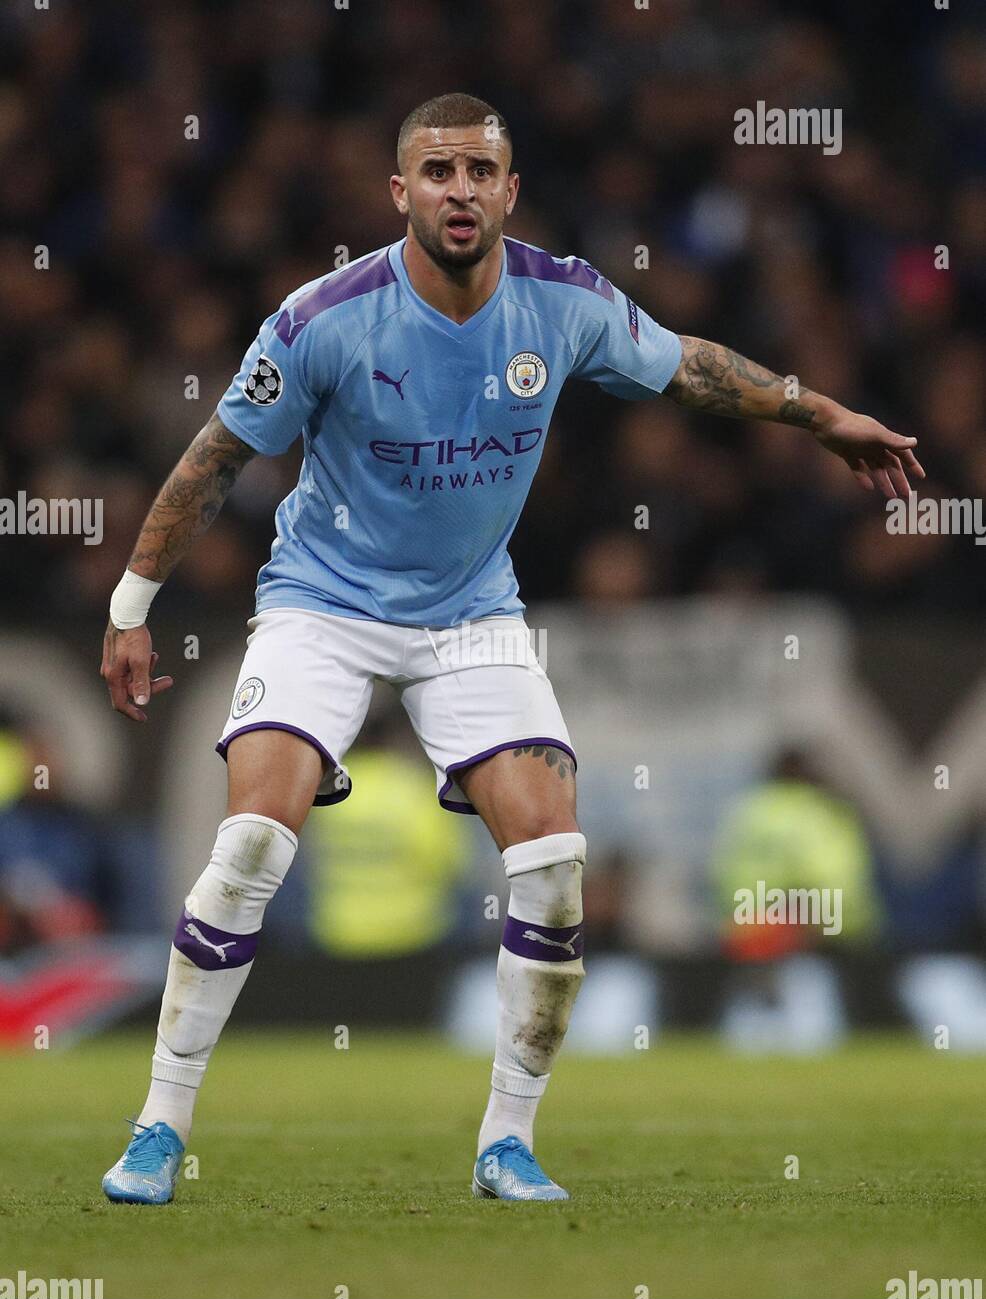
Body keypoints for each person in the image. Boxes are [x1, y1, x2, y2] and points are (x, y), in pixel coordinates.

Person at [98, 92, 923, 1204]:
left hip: (469, 614)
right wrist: (130, 603)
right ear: (399, 192)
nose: (458, 190)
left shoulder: (562, 301)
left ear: (509, 191)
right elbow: (214, 458)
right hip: (322, 604)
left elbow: (684, 364)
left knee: (551, 862)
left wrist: (818, 413)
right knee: (250, 841)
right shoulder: (321, 318)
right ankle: (158, 1126)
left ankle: (505, 1144)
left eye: (479, 172)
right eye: (435, 171)